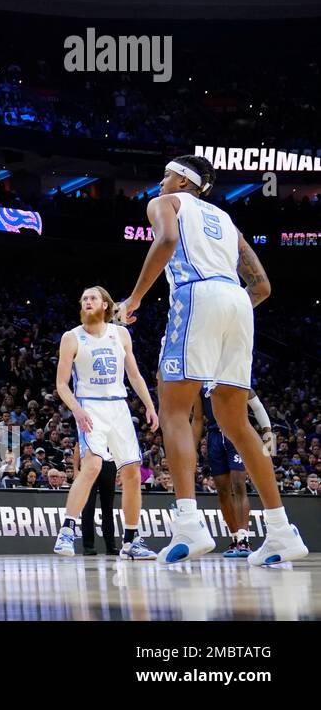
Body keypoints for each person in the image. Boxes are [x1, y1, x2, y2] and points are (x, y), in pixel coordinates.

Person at [115, 156, 308, 566]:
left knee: (174, 410)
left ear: (182, 179)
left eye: (167, 175)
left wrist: (134, 299)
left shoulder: (166, 203)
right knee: (235, 422)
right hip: (239, 302)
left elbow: (165, 242)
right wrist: (228, 311)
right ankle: (280, 531)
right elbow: (263, 285)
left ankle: (188, 524)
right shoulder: (224, 218)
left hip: (197, 291)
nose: (161, 181)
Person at [52, 286, 159, 560]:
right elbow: (61, 384)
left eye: (93, 298)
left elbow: (134, 375)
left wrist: (149, 404)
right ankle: (66, 532)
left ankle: (131, 540)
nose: (87, 301)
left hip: (118, 406)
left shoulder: (120, 334)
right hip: (89, 405)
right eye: (84, 298)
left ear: (105, 305)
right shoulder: (71, 337)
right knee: (92, 466)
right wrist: (76, 409)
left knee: (133, 471)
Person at [192, 381, 273, 558]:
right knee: (222, 491)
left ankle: (244, 539)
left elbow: (257, 406)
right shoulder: (200, 383)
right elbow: (198, 418)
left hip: (235, 434)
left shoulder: (235, 375)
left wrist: (268, 434)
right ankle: (235, 537)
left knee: (238, 485)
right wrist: (192, 449)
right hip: (213, 437)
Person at [75, 442, 117, 556]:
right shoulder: (85, 424)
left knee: (108, 508)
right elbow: (78, 445)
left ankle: (111, 546)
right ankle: (88, 546)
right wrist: (75, 469)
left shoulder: (111, 425)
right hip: (89, 463)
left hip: (109, 464)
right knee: (88, 507)